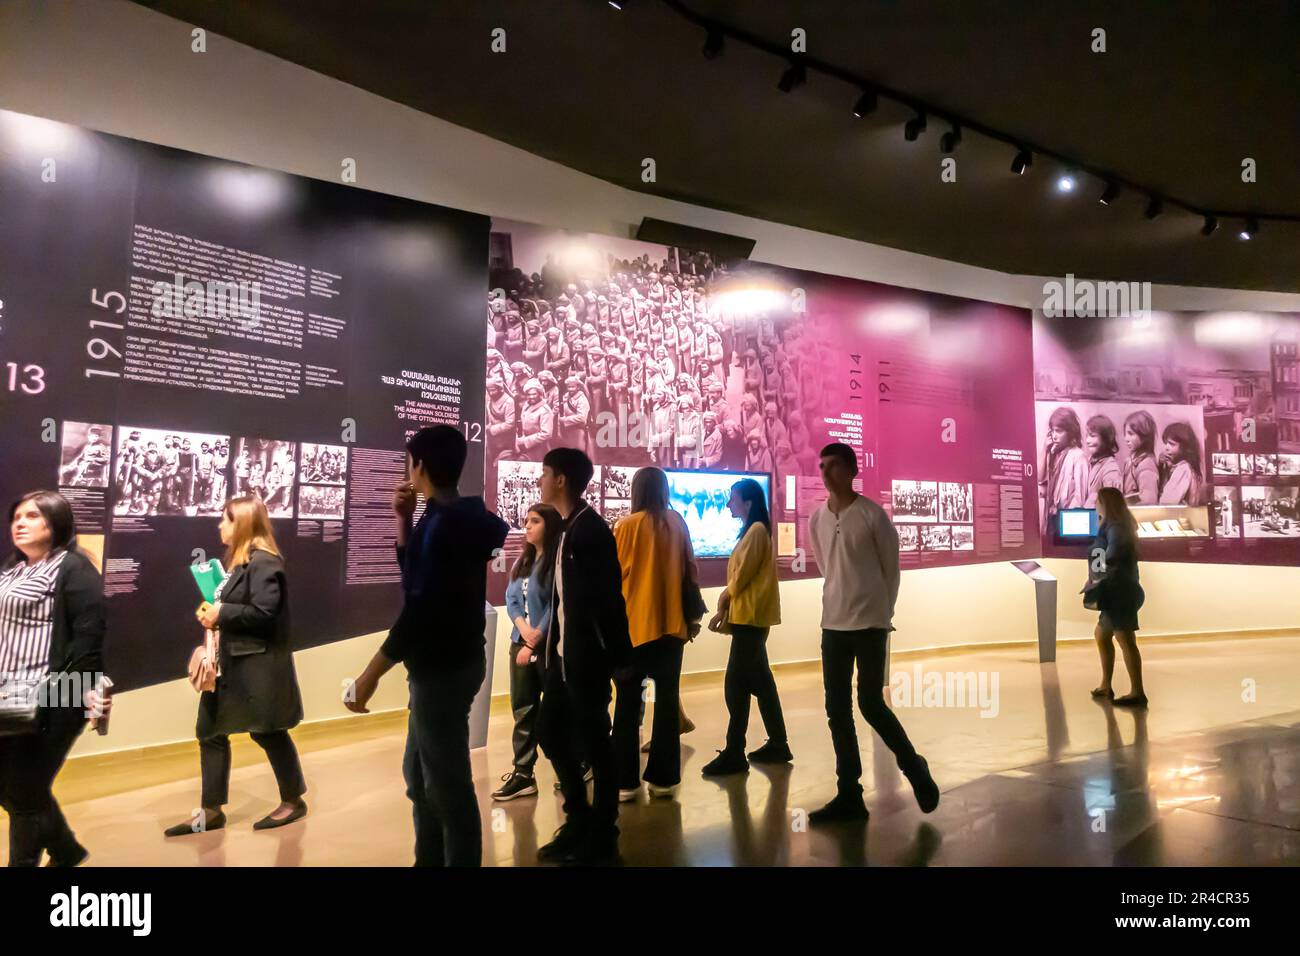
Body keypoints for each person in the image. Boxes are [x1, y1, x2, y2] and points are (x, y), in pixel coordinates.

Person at [345, 425, 508, 866]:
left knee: (448, 786)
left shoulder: (443, 524)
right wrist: (404, 519)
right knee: (420, 777)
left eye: (408, 463)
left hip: (442, 668)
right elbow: (416, 572)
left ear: (418, 466)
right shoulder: (451, 517)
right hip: (450, 662)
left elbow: (418, 609)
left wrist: (369, 675)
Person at [807, 443, 939, 823]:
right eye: (822, 466)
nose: (825, 472)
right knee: (837, 709)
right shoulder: (817, 519)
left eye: (833, 466)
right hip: (833, 625)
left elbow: (890, 571)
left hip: (869, 626)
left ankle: (914, 767)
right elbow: (826, 567)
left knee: (870, 703)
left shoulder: (872, 516)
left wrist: (882, 613)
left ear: (851, 470)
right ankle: (849, 792)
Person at [165, 495, 307, 837]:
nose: (219, 525)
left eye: (225, 520)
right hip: (231, 665)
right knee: (210, 730)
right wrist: (215, 613)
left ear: (241, 523)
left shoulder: (265, 563)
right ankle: (211, 810)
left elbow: (264, 612)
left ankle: (293, 800)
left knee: (268, 731)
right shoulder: (240, 564)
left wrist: (222, 613)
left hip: (258, 666)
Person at [534, 447, 633, 865]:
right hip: (563, 661)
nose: (539, 480)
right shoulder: (567, 529)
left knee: (596, 743)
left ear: (560, 479)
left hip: (587, 661)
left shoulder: (590, 530)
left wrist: (620, 658)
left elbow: (610, 600)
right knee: (551, 733)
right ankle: (579, 816)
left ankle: (602, 828)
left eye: (544, 473)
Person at [0, 491, 110, 867]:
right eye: (17, 515)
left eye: (32, 515)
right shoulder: (14, 568)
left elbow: (87, 637)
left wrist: (73, 694)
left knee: (25, 793)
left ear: (56, 523)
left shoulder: (74, 569)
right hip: (9, 695)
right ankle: (66, 850)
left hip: (52, 697)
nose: (20, 522)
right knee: (15, 789)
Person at [611, 467, 703, 801]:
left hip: (633, 628)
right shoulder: (677, 523)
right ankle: (663, 779)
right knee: (666, 702)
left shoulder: (625, 526)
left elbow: (613, 578)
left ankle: (624, 781)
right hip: (671, 627)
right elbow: (691, 571)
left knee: (626, 703)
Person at [702, 478, 789, 775]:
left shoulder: (756, 531)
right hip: (749, 617)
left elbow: (741, 578)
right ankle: (778, 743)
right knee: (761, 683)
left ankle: (735, 752)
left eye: (733, 498)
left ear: (748, 502)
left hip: (750, 618)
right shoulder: (756, 530)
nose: (728, 504)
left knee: (735, 685)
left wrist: (724, 597)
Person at [493, 503, 561, 801]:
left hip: (547, 648)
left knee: (556, 711)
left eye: (535, 521)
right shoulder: (524, 559)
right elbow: (511, 599)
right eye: (527, 521)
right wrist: (523, 630)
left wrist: (534, 641)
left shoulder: (557, 561)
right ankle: (523, 774)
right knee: (523, 710)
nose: (528, 526)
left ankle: (574, 764)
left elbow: (555, 604)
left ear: (550, 525)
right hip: (520, 642)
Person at [1086, 487, 1147, 708]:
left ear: (1105, 503)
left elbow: (1109, 555)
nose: (1095, 504)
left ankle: (1138, 692)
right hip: (1118, 589)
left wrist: (1095, 574)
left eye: (1098, 500)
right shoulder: (1115, 526)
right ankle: (1105, 685)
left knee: (1125, 640)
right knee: (1102, 635)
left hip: (1120, 591)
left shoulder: (1117, 528)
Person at [1041, 406, 1088, 532]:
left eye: (1059, 431)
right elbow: (1040, 479)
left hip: (1068, 518)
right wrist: (1045, 451)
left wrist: (1071, 527)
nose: (1054, 436)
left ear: (1070, 431)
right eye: (1052, 431)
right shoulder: (1054, 455)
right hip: (1052, 517)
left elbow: (1081, 496)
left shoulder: (1078, 456)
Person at [1158, 421, 1204, 505]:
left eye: (1172, 444)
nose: (1166, 448)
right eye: (1166, 443)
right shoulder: (1188, 467)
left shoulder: (1183, 469)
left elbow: (1166, 503)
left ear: (1184, 448)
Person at [1121, 410, 1160, 505]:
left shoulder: (1146, 466)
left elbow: (1149, 502)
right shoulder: (1131, 460)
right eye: (1125, 434)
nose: (1126, 439)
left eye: (1131, 434)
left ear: (1144, 436)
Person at [1084, 415, 1123, 508]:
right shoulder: (1089, 462)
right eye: (1087, 436)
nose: (1087, 440)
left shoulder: (1111, 470)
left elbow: (1111, 508)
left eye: (1092, 436)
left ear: (1106, 439)